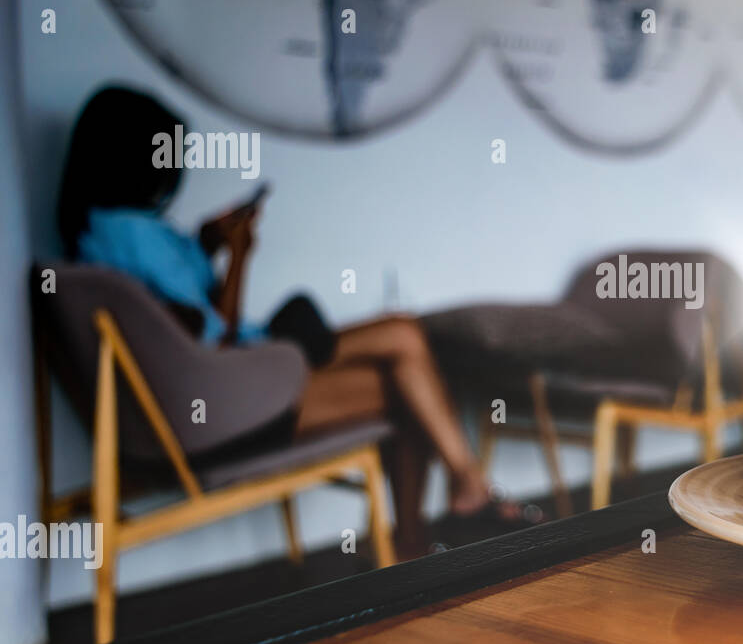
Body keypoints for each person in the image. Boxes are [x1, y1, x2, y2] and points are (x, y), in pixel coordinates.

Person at [57, 85, 539, 558]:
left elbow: (173, 322)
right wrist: (241, 254)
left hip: (212, 398)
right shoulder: (135, 234)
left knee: (403, 346)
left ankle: (446, 510)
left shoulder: (98, 232)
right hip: (228, 406)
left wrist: (205, 244)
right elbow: (213, 340)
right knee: (405, 363)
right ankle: (451, 507)